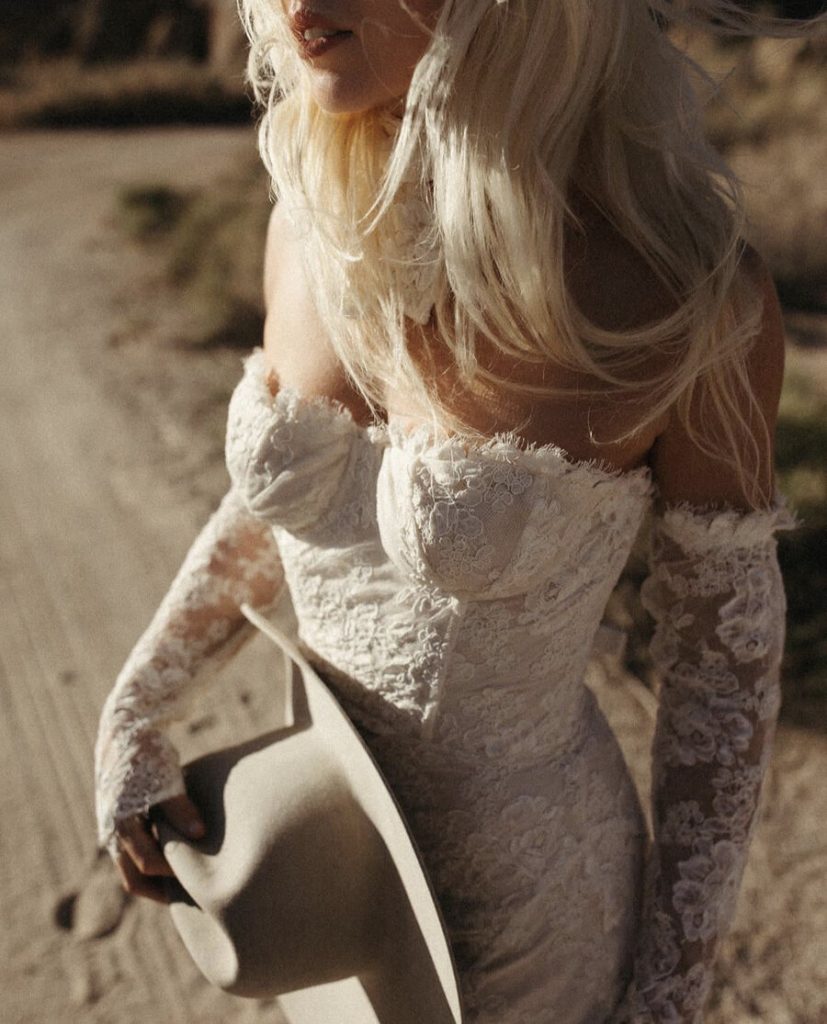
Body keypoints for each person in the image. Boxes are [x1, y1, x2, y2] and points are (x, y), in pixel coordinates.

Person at [94, 1, 803, 1021]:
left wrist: (668, 991)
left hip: (534, 922)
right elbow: (293, 503)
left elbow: (719, 673)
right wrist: (134, 706)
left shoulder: (678, 299)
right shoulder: (304, 216)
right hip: (338, 883)